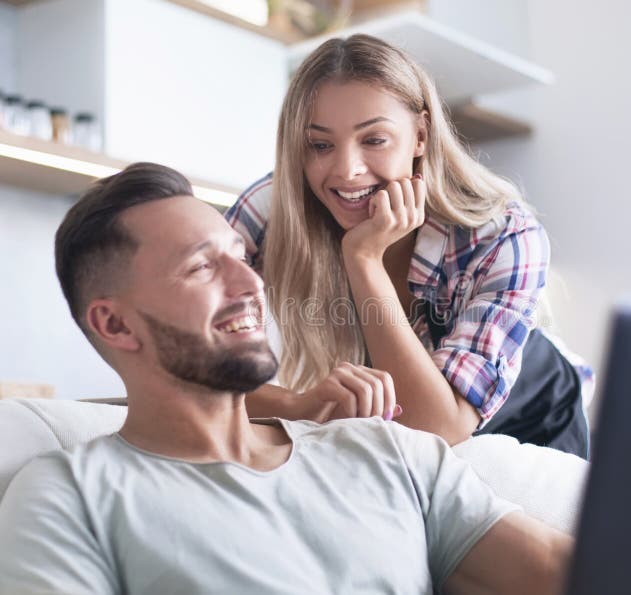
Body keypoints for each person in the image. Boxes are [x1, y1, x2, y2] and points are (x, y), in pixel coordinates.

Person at [0, 163, 571, 594]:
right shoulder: (71, 495)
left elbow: (569, 570)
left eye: (239, 257)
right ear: (115, 323)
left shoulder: (385, 449)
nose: (250, 284)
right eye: (202, 267)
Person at [227, 34, 591, 455]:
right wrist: (298, 405)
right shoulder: (274, 209)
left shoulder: (502, 234)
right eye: (320, 145)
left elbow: (438, 426)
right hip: (410, 414)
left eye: (374, 139)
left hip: (536, 414)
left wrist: (363, 259)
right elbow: (181, 363)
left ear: (420, 134)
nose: (347, 171)